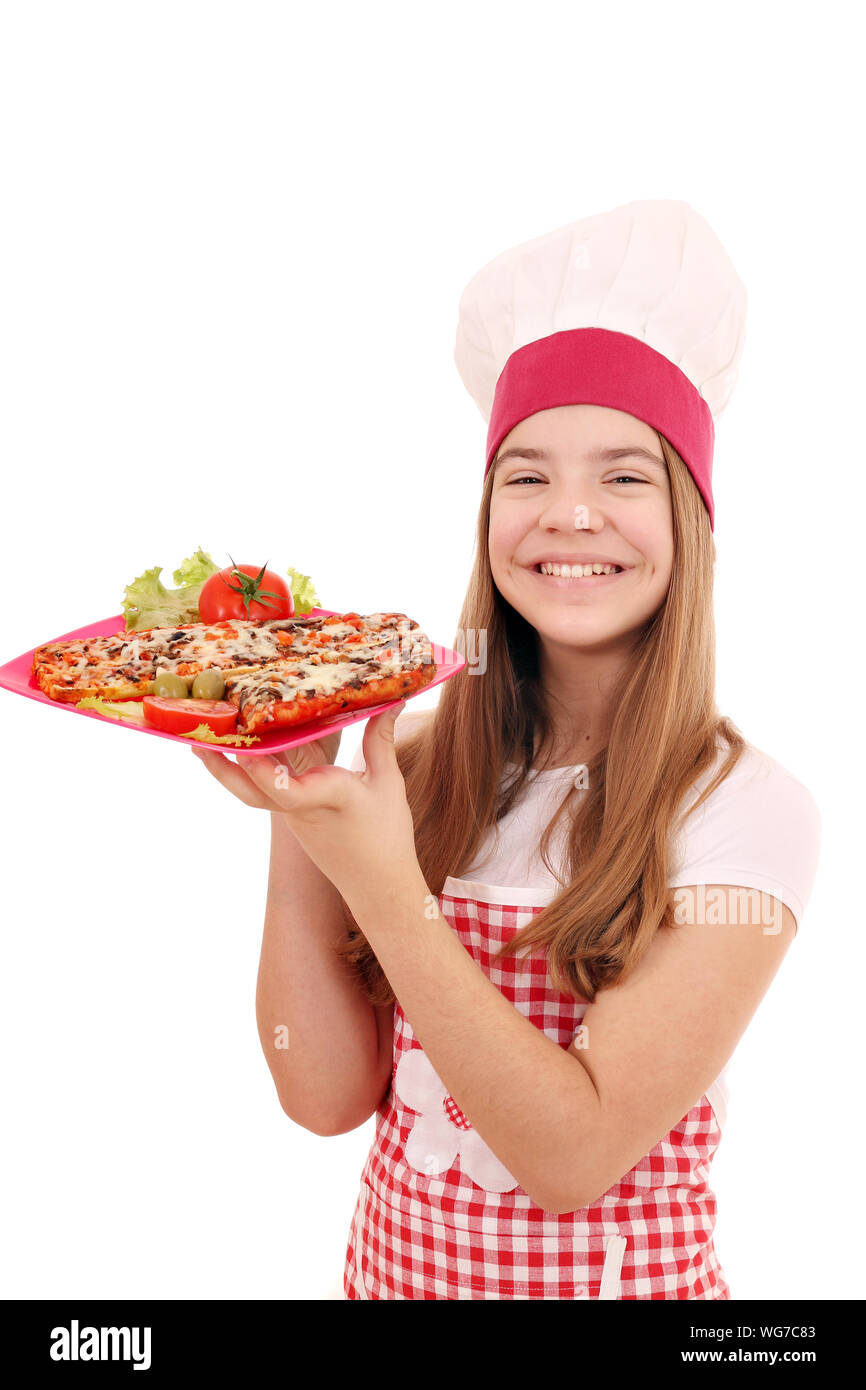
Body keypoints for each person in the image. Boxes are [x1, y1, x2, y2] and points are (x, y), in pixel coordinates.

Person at [192, 199, 822, 1300]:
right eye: (525, 475)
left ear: (690, 518)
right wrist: (301, 784)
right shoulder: (424, 760)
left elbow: (571, 1158)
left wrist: (386, 887)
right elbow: (322, 1097)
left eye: (622, 476)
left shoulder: (740, 808)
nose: (567, 514)